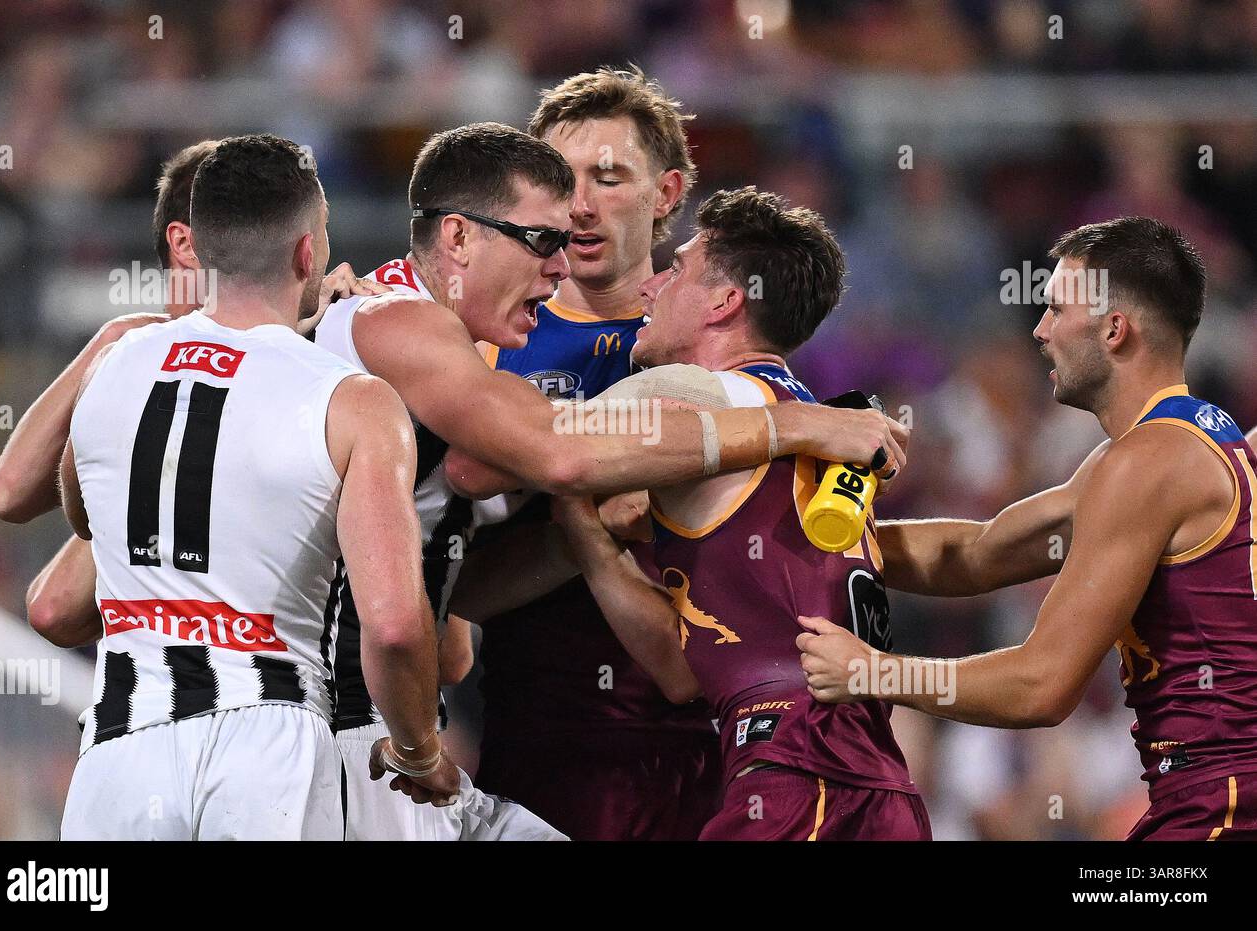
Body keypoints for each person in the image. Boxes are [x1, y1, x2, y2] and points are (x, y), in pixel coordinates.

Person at [312, 121, 909, 839]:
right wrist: (802, 425)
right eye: (543, 236)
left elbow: (465, 581)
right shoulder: (405, 323)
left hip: (726, 755)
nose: (562, 258)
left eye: (607, 179)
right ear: (460, 238)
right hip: (363, 725)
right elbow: (512, 469)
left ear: (666, 197)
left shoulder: (701, 387)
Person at [799, 216, 1257, 841]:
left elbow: (1041, 685)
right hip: (1209, 798)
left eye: (1056, 310)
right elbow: (978, 554)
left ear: (1115, 329)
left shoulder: (1148, 465)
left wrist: (872, 672)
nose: (1039, 331)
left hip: (1223, 806)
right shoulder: (1186, 445)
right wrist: (815, 534)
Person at [57, 133, 453, 839]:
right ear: (308, 253)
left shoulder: (111, 364)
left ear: (199, 247)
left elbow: (83, 512)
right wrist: (419, 748)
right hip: (266, 739)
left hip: (121, 743)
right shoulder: (351, 399)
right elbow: (392, 624)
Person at [551, 187, 929, 840]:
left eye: (677, 270)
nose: (650, 288)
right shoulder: (821, 427)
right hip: (865, 782)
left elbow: (546, 447)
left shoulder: (700, 392)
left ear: (727, 301)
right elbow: (679, 672)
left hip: (797, 771)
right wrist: (588, 536)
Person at [451, 66, 723, 841]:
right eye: (560, 179)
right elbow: (460, 584)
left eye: (609, 177)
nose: (580, 204)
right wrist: (587, 518)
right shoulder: (485, 339)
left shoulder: (713, 330)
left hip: (693, 735)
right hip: (534, 733)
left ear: (667, 193)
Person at [0, 139, 382, 648]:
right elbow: (9, 496)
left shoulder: (296, 348)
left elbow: (52, 604)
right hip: (256, 691)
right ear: (187, 241)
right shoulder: (125, 346)